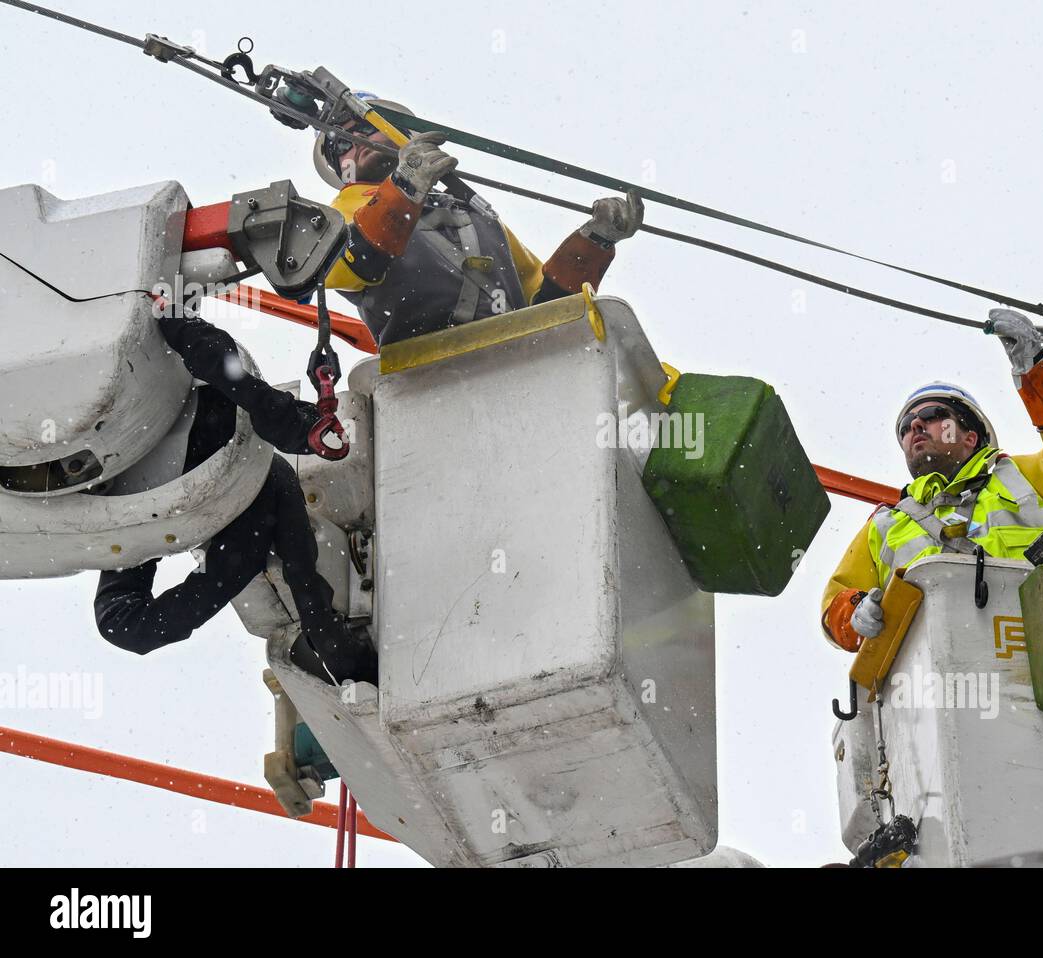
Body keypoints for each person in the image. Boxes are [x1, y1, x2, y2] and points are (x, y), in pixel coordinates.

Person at [93, 307, 378, 686]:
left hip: (239, 468)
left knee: (316, 617)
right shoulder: (105, 506)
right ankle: (347, 661)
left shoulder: (130, 354)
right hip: (212, 497)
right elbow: (120, 619)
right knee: (126, 624)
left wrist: (276, 413)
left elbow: (196, 339)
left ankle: (348, 660)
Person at [820, 308, 1043, 651]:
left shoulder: (1022, 479)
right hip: (938, 687)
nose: (915, 427)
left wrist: (1036, 372)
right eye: (906, 427)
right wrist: (853, 614)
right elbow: (835, 608)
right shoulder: (885, 525)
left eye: (932, 416)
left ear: (971, 437)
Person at [312, 95, 643, 345]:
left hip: (521, 363)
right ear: (339, 167)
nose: (355, 143)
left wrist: (594, 242)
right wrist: (404, 188)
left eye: (369, 127)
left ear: (402, 136)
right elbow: (347, 266)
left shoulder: (474, 215)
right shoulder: (338, 217)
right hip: (420, 379)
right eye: (341, 142)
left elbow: (546, 307)